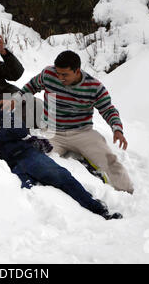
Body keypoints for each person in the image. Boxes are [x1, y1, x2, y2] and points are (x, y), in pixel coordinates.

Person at [0, 99, 123, 220]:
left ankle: (99, 210)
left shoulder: (1, 116)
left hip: (27, 155)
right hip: (10, 170)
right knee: (32, 202)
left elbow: (21, 131)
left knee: (62, 178)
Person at [16, 50, 134, 194]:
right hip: (52, 131)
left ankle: (126, 192)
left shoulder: (94, 87)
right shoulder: (48, 74)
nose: (60, 78)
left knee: (109, 160)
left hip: (82, 132)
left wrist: (117, 129)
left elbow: (108, 110)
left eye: (64, 74)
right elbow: (31, 86)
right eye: (58, 73)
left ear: (77, 71)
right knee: (34, 156)